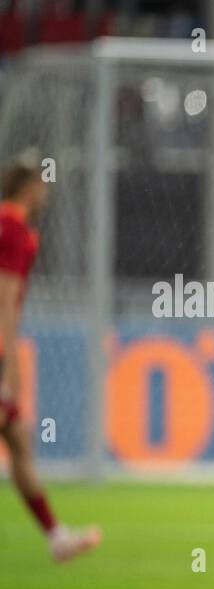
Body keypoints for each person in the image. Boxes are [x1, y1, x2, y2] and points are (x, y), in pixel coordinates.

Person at [0, 159, 100, 562]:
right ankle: (56, 536)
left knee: (19, 441)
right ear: (27, 187)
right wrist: (11, 362)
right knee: (17, 435)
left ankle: (56, 536)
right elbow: (5, 298)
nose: (47, 192)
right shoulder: (15, 232)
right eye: (42, 184)